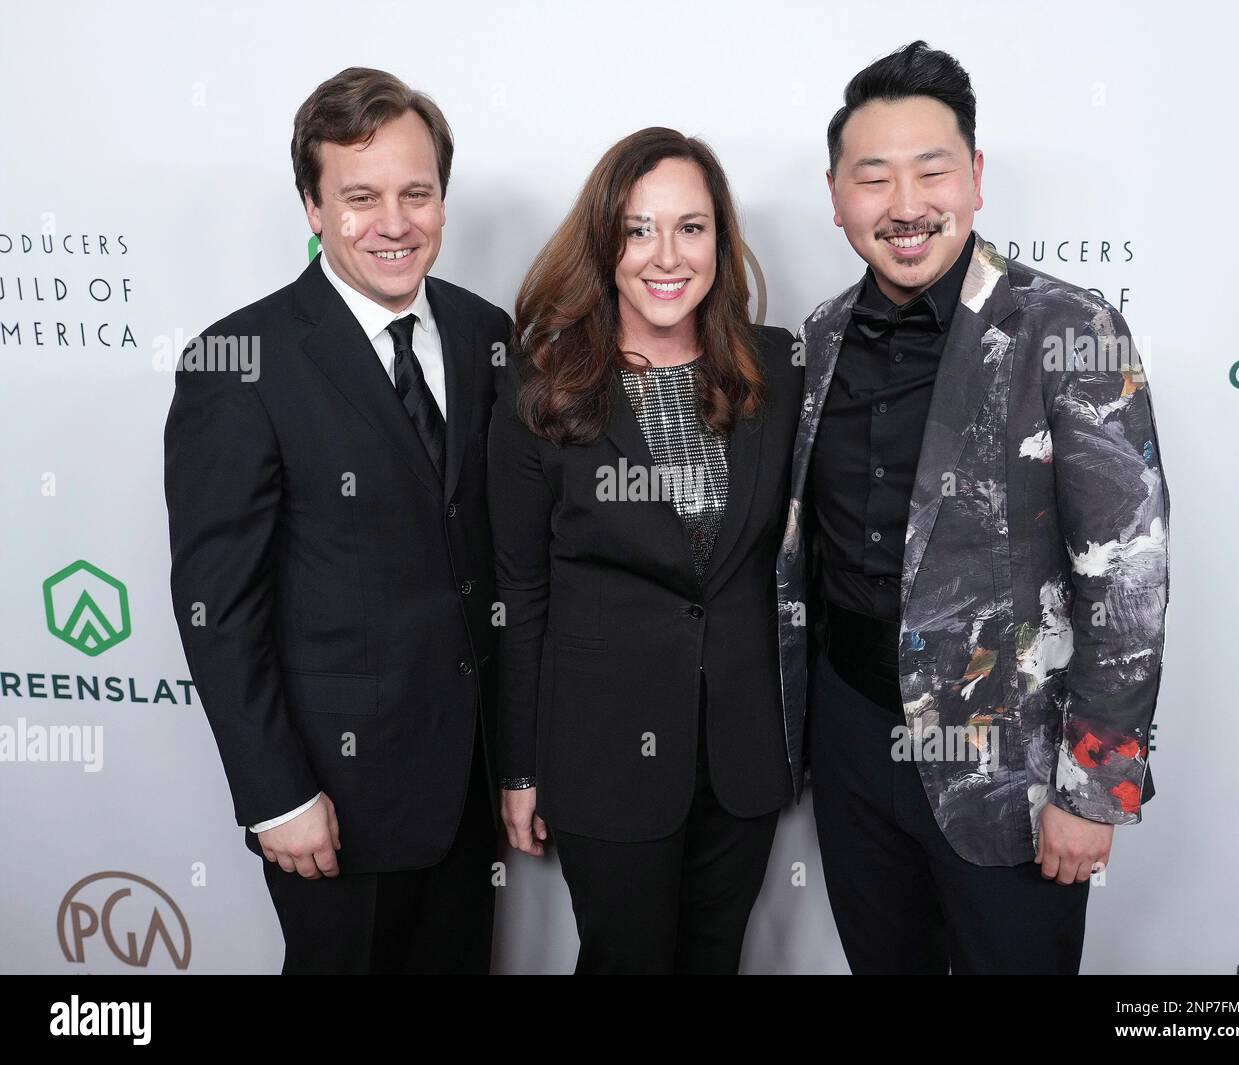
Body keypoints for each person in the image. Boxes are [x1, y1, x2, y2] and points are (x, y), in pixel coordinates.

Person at [776, 41, 1170, 974]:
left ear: (977, 179)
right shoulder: (823, 335)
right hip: (851, 736)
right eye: (873, 179)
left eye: (932, 171)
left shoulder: (1067, 329)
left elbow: (1130, 578)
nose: (906, 206)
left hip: (1013, 765)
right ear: (836, 195)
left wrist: (1094, 788)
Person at [163, 67, 511, 974]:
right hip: (333, 795)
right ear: (313, 208)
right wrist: (276, 796)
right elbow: (219, 610)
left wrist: (515, 761)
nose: (394, 222)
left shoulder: (486, 335)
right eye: (360, 197)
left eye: (416, 193)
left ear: (441, 199)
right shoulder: (237, 363)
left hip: (467, 788)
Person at [489, 127, 802, 974]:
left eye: (691, 227)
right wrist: (517, 768)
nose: (667, 254)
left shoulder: (776, 372)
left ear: (721, 240)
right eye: (638, 229)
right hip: (601, 755)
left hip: (740, 756)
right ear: (603, 241)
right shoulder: (540, 392)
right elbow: (518, 596)